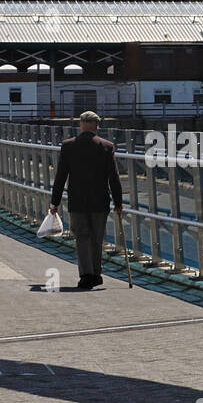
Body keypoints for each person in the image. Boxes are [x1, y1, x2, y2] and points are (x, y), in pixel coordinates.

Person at [50, 111, 122, 291]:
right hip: (100, 201)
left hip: (77, 201)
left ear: (81, 125)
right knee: (96, 239)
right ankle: (96, 274)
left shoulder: (68, 146)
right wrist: (118, 202)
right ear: (97, 126)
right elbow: (114, 177)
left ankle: (86, 275)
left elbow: (61, 176)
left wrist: (54, 202)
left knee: (81, 237)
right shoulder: (106, 146)